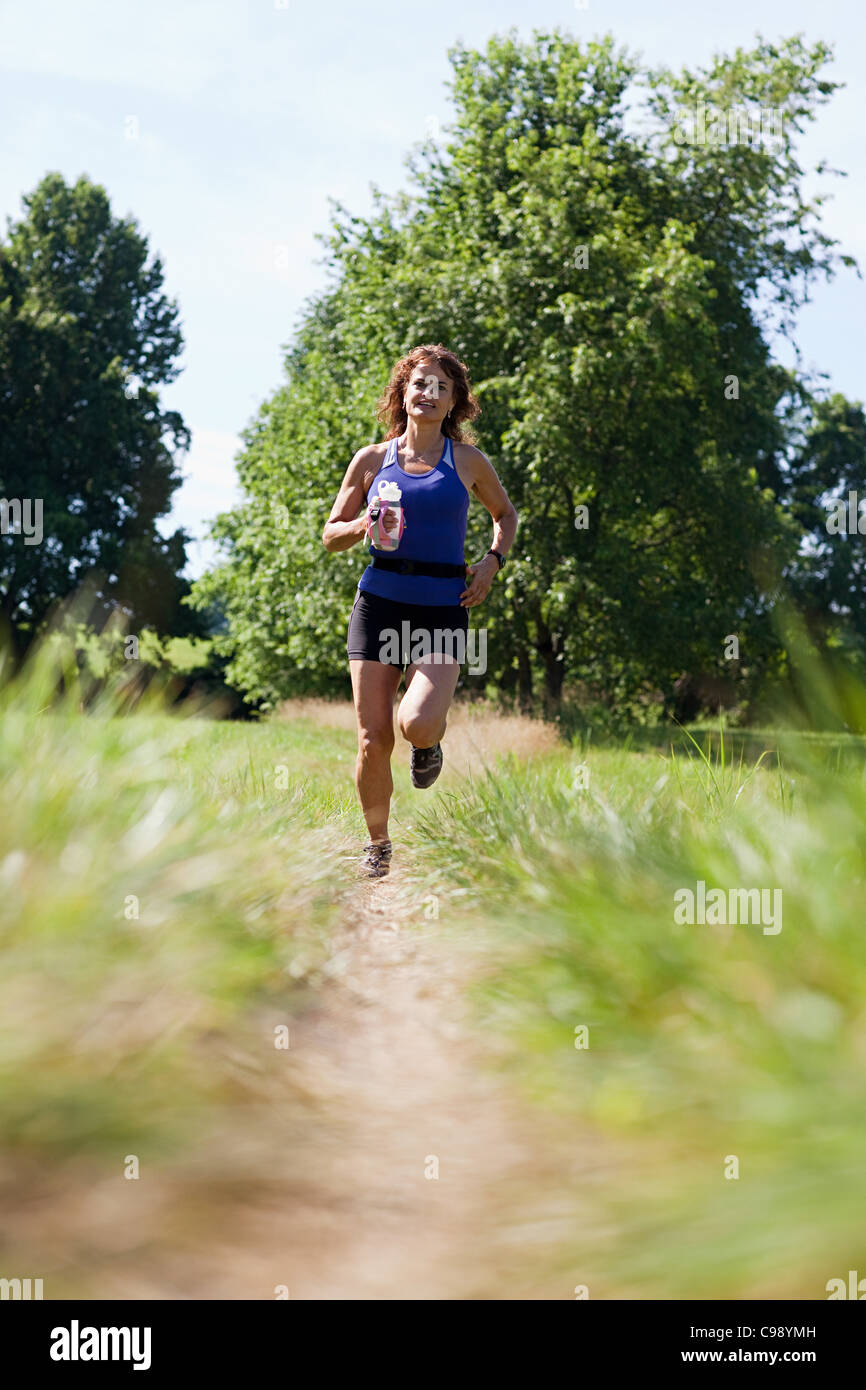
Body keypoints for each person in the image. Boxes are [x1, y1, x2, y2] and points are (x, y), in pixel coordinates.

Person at [322, 344, 518, 878]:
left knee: (418, 723)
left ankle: (428, 747)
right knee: (372, 738)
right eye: (419, 384)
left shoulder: (468, 462)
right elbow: (330, 534)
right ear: (403, 394)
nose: (428, 394)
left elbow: (505, 514)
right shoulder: (370, 460)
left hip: (442, 608)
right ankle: (378, 844)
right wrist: (365, 524)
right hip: (379, 604)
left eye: (441, 387)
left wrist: (490, 563)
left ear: (454, 402)